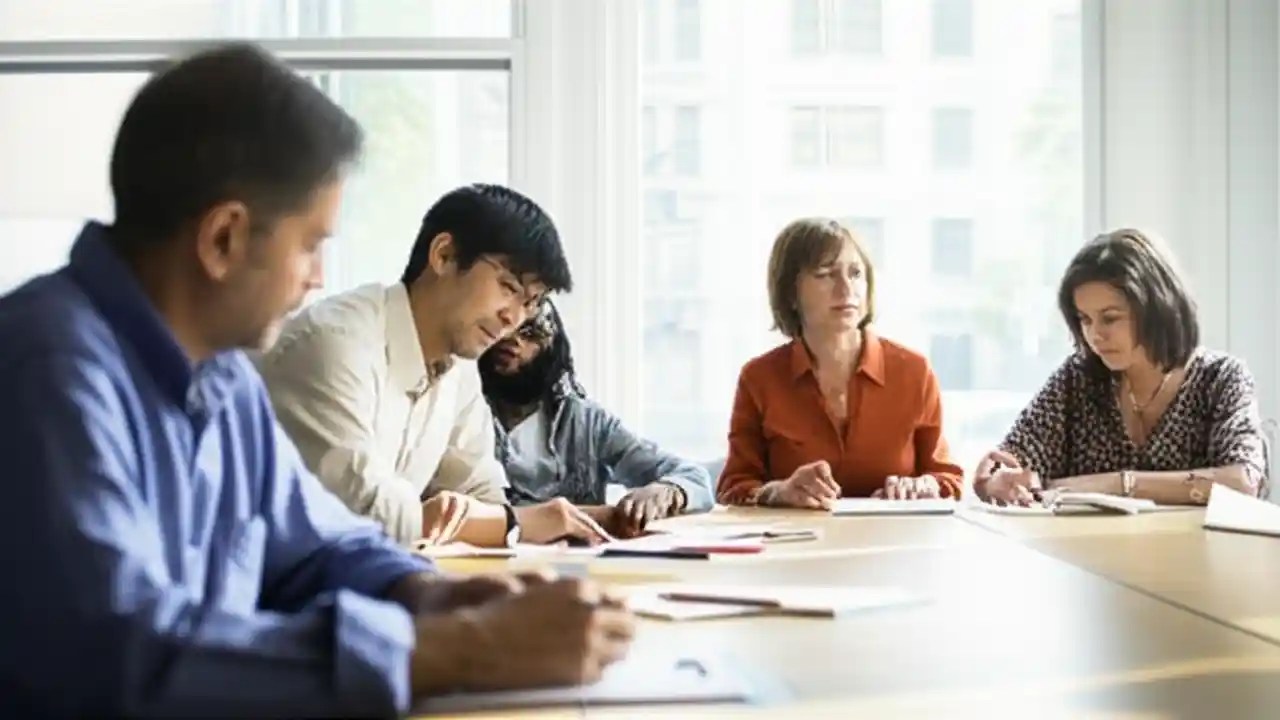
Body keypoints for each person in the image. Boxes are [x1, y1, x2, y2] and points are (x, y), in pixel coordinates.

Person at [0, 44, 633, 718]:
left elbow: (314, 543)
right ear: (224, 240)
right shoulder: (48, 372)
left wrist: (430, 595)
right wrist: (457, 649)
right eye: (309, 245)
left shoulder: (222, 380)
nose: (318, 277)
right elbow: (116, 654)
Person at [258, 183, 614, 548]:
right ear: (443, 255)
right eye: (508, 286)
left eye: (531, 303)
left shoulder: (458, 369)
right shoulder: (334, 341)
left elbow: (483, 495)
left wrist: (500, 521)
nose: (513, 317)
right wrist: (511, 523)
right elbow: (362, 510)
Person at [974, 228, 1267, 506]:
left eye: (1110, 318)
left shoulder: (1220, 378)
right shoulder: (1078, 378)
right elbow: (1010, 463)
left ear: (1156, 308)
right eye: (1085, 320)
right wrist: (994, 482)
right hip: (1088, 555)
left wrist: (1117, 484)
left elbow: (1243, 482)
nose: (1095, 335)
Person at [717, 218, 963, 508]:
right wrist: (778, 492)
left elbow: (948, 479)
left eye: (856, 273)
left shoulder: (913, 372)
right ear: (790, 293)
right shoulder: (759, 378)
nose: (846, 288)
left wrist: (926, 485)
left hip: (893, 544)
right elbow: (733, 487)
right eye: (825, 274)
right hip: (797, 546)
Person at [478, 298, 714, 533]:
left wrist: (666, 492)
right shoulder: (464, 416)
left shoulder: (587, 423)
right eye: (505, 327)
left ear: (553, 347)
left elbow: (694, 477)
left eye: (531, 331)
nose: (513, 340)